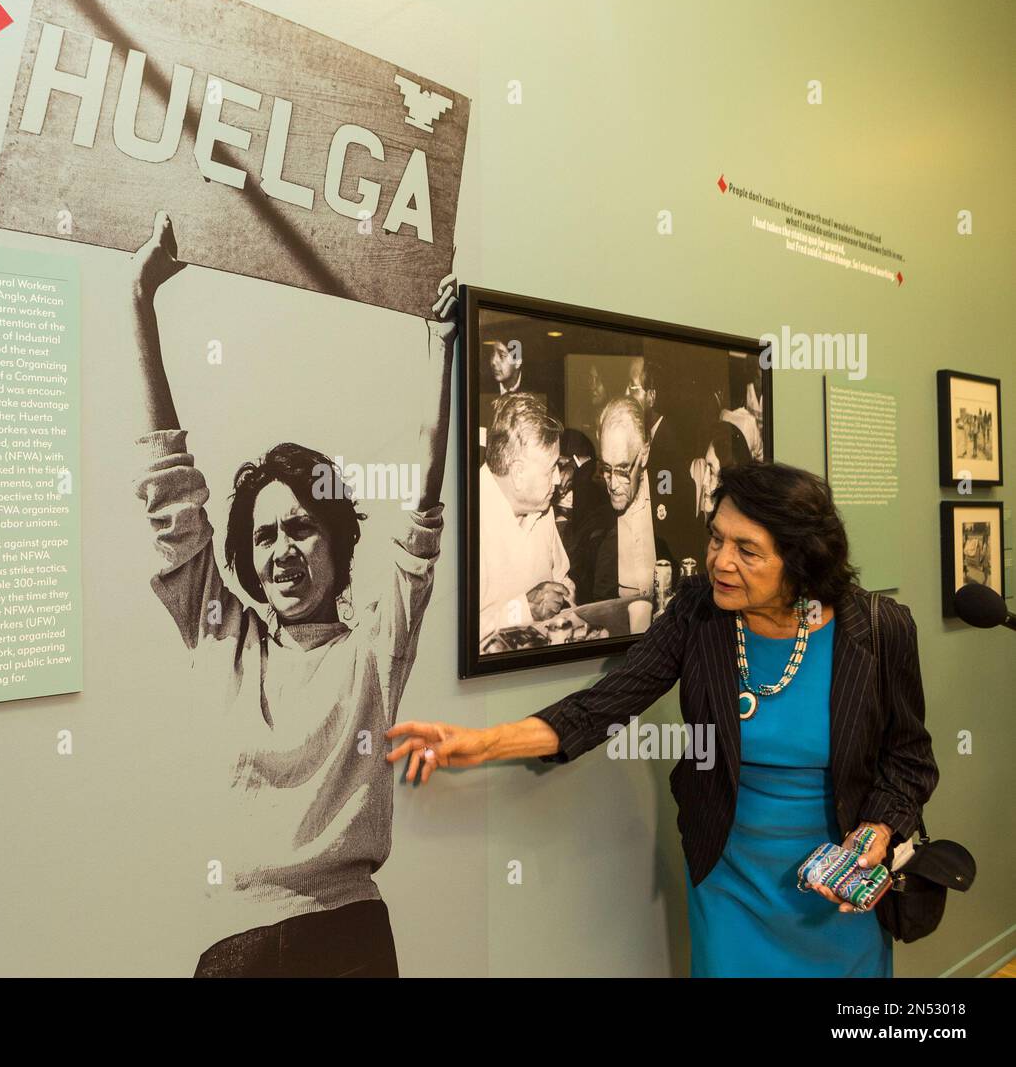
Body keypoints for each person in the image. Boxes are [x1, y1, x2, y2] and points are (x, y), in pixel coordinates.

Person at [388, 461, 939, 977]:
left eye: (747, 550)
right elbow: (604, 705)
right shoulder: (700, 613)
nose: (720, 560)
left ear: (802, 559)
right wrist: (480, 742)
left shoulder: (878, 629)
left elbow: (910, 761)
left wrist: (876, 830)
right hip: (731, 884)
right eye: (717, 538)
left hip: (837, 890)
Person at [131, 211, 456, 977]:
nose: (282, 550)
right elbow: (172, 494)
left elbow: (423, 504)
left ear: (340, 547)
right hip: (238, 947)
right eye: (265, 535)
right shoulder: (223, 638)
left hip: (348, 938)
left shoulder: (376, 646)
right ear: (243, 555)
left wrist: (443, 354)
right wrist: (139, 305)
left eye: (302, 529)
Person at [479, 393, 573, 642]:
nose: (557, 479)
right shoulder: (465, 524)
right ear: (518, 473)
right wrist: (523, 610)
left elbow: (562, 578)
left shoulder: (542, 508)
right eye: (550, 468)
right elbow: (452, 638)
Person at [570, 396, 672, 604]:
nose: (613, 484)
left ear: (644, 453)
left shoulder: (670, 491)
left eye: (623, 470)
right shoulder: (590, 499)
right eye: (606, 468)